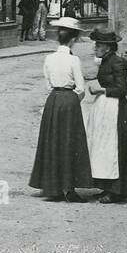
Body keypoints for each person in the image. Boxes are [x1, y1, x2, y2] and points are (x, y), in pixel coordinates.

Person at [29, 17, 93, 202]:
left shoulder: (49, 58)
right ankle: (69, 187)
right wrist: (73, 100)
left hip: (53, 100)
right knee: (69, 142)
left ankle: (52, 185)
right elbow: (80, 87)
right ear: (73, 39)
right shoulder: (74, 60)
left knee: (52, 141)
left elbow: (48, 85)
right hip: (69, 101)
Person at [81, 27, 127, 203]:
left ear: (108, 47)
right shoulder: (105, 61)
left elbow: (121, 89)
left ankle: (116, 190)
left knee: (113, 148)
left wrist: (100, 89)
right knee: (102, 147)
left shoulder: (118, 62)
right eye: (96, 44)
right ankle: (105, 186)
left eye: (99, 45)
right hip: (104, 107)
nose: (95, 48)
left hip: (115, 109)